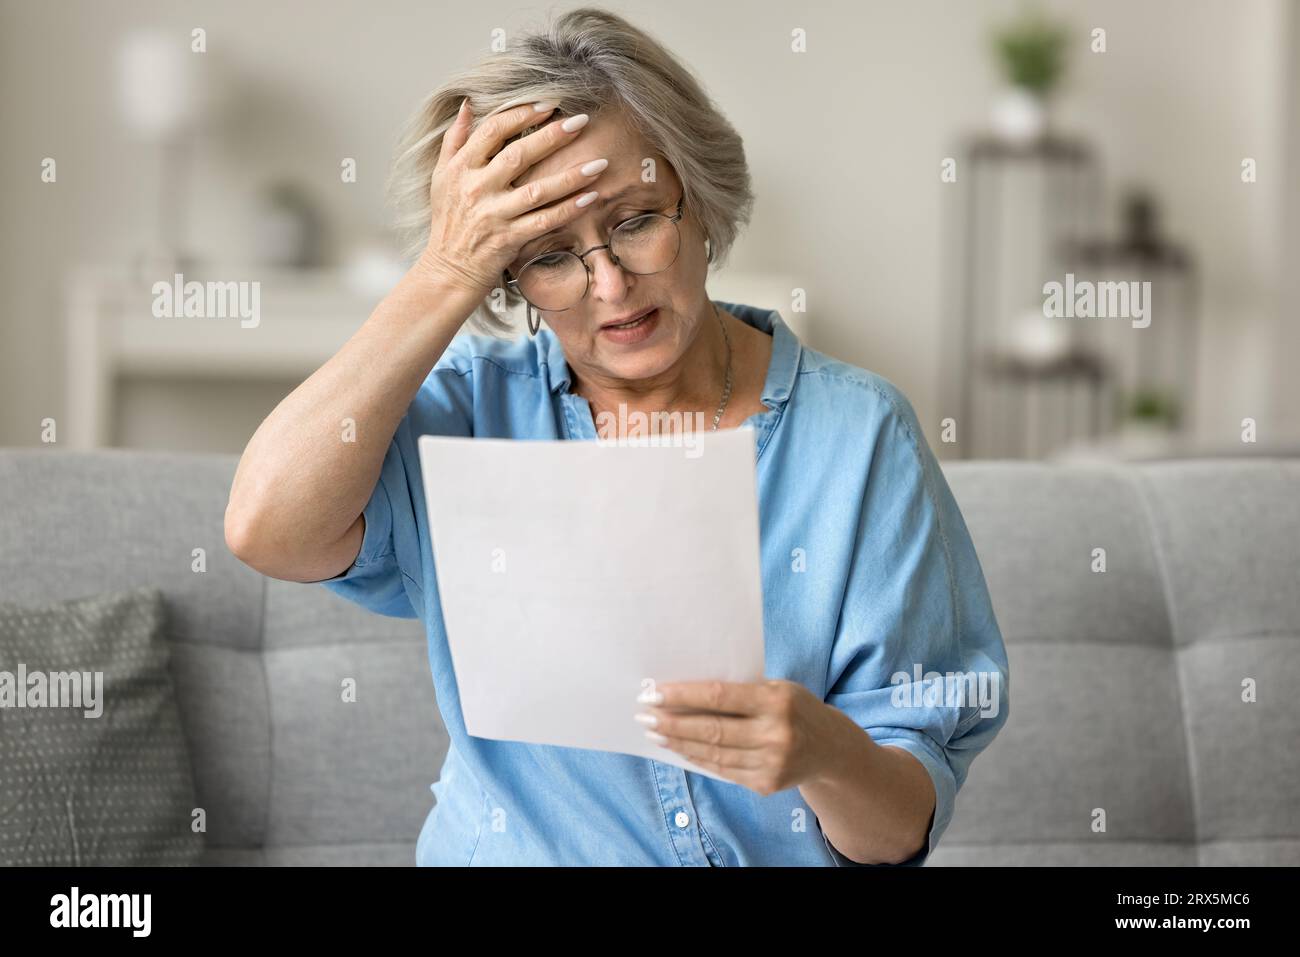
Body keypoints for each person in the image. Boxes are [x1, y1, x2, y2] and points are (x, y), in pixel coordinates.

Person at [225, 6, 1009, 866]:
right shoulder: (464, 421)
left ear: (699, 201)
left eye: (636, 221)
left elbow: (897, 830)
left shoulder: (860, 437)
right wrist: (447, 270)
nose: (609, 285)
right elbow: (266, 526)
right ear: (508, 274)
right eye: (550, 255)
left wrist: (824, 750)